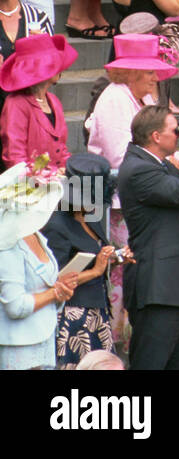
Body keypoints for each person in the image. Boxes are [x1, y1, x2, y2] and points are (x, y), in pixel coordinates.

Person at [118, 105, 179, 369]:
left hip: (174, 289)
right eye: (175, 131)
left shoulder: (154, 164)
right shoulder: (140, 169)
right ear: (155, 136)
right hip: (159, 290)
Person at [42, 153, 121, 367]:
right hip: (73, 316)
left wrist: (113, 257)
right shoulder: (56, 224)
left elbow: (95, 254)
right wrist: (95, 271)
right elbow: (54, 279)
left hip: (97, 310)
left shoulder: (90, 218)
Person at [0, 163, 76, 370]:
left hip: (45, 340)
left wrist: (61, 291)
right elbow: (15, 306)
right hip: (19, 348)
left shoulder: (38, 236)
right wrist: (54, 293)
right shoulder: (6, 244)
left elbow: (47, 288)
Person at [0, 31, 75, 170]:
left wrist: (68, 169)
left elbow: (61, 149)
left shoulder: (53, 100)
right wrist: (46, 177)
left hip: (57, 185)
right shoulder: (16, 104)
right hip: (29, 187)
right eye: (54, 64)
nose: (61, 68)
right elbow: (15, 158)